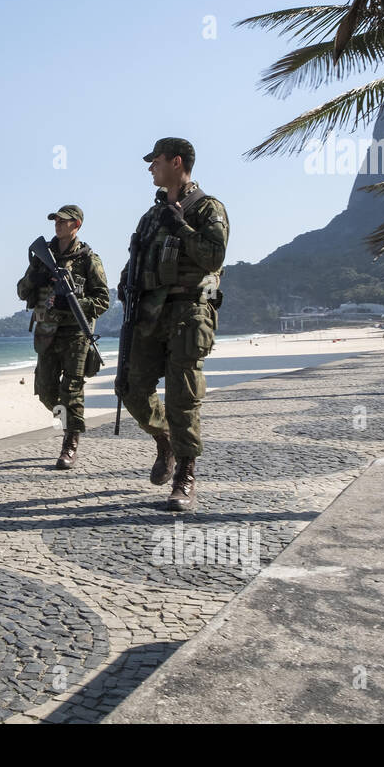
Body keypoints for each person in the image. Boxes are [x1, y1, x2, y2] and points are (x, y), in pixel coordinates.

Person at [115, 138, 228, 511]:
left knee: (182, 397)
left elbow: (214, 256)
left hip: (188, 311)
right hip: (149, 313)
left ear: (176, 162)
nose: (150, 168)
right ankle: (165, 441)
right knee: (131, 387)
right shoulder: (150, 216)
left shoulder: (206, 208)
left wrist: (180, 226)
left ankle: (185, 475)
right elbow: (137, 257)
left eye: (156, 161)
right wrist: (125, 280)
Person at [16, 205, 109, 469]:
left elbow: (103, 300)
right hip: (46, 333)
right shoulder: (42, 256)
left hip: (76, 333)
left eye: (63, 220)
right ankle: (70, 422)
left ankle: (70, 440)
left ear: (76, 224)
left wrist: (74, 302)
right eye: (55, 220)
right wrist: (36, 275)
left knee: (72, 390)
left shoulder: (88, 259)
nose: (57, 224)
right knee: (46, 392)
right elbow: (22, 291)